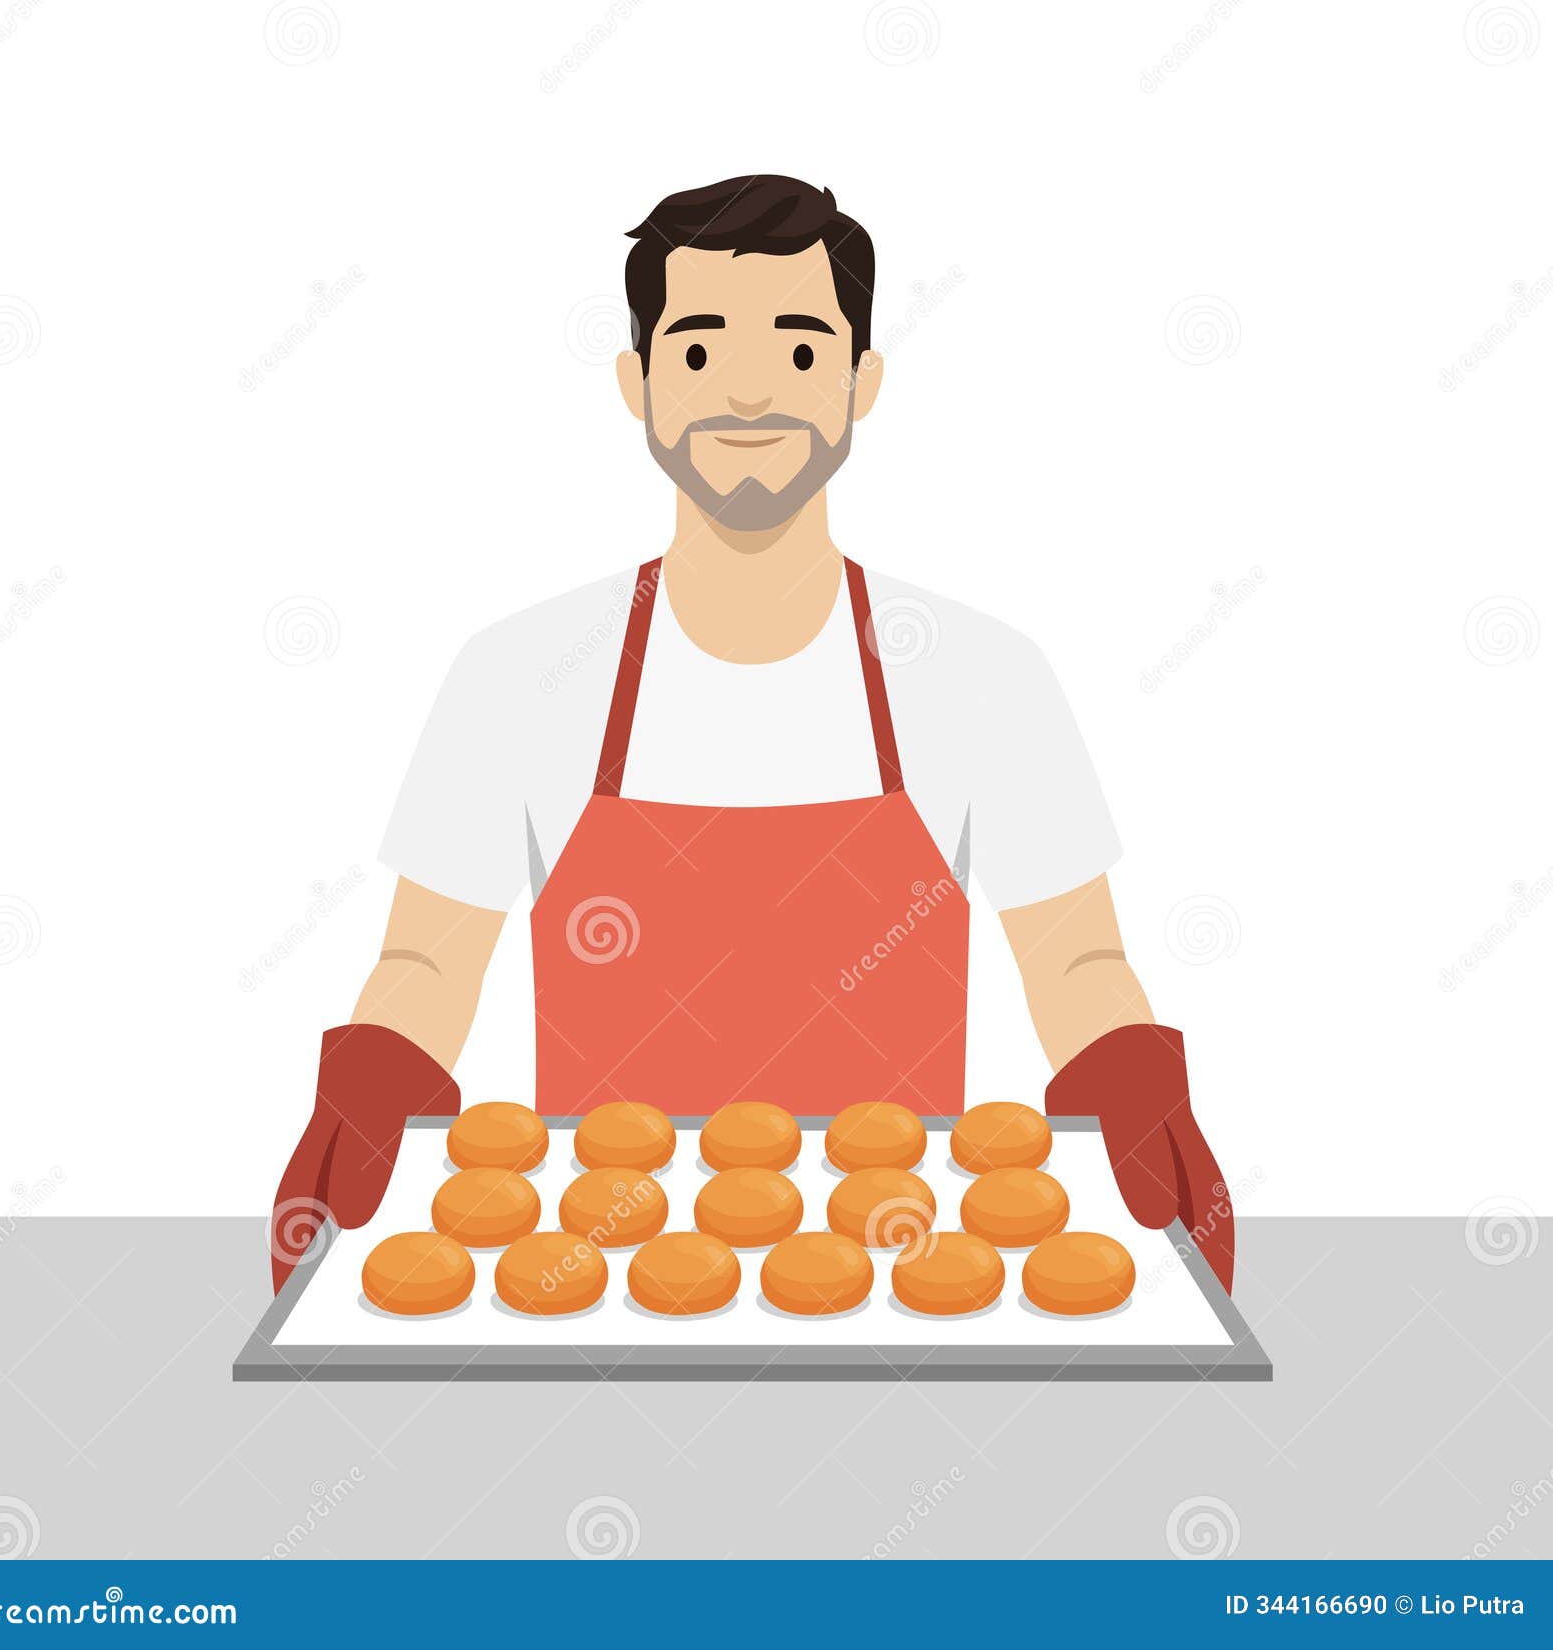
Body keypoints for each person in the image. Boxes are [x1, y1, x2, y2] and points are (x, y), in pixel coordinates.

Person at [270, 174, 1233, 1293]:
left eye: (800, 348)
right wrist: (376, 1075)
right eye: (697, 350)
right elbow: (428, 959)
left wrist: (1128, 1073)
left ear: (863, 382)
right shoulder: (516, 677)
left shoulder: (983, 678)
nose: (747, 391)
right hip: (601, 1272)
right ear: (635, 383)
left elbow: (1074, 958)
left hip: (897, 1272)